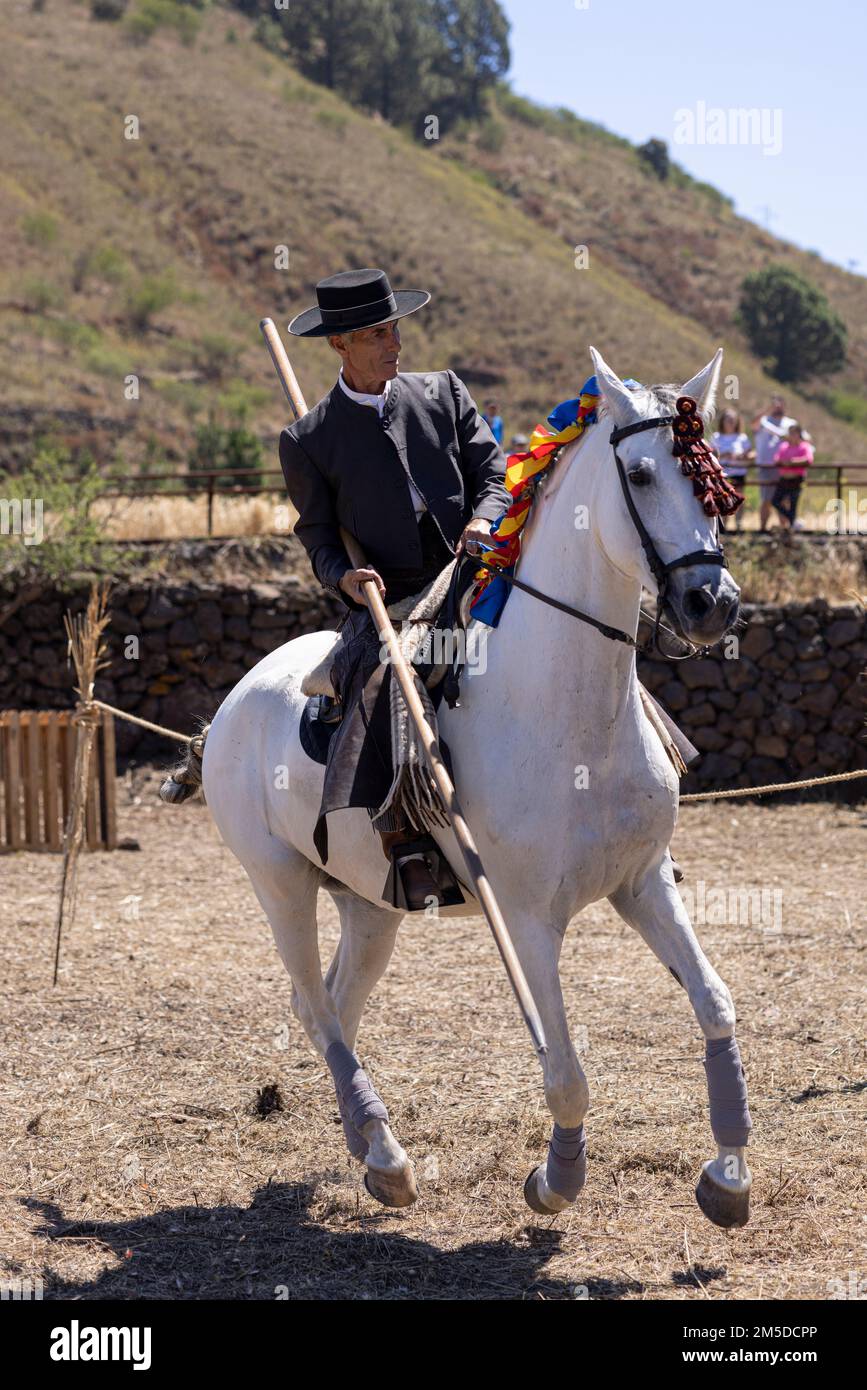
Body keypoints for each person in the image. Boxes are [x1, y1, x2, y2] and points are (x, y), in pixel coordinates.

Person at [278, 268, 510, 908]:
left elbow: (494, 474)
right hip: (391, 595)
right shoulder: (309, 440)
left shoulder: (443, 393)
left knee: (571, 623)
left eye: (394, 328)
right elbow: (318, 537)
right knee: (387, 673)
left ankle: (629, 795)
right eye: (376, 333)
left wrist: (483, 521)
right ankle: (405, 834)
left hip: (472, 566)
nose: (394, 343)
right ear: (339, 345)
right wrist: (344, 578)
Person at [751, 395, 795, 531]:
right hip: (766, 467)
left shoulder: (790, 423)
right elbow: (753, 424)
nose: (778, 407)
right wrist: (767, 409)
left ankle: (785, 528)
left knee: (784, 500)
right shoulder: (763, 421)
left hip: (785, 468)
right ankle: (763, 528)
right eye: (775, 404)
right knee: (766, 499)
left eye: (780, 404)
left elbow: (802, 439)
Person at [711, 410, 754, 530]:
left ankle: (738, 525)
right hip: (722, 474)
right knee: (723, 499)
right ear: (722, 421)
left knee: (738, 499)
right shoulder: (716, 437)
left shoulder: (742, 437)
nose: (730, 422)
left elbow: (751, 454)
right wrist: (724, 455)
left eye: (732, 420)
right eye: (728, 419)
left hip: (738, 473)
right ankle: (723, 526)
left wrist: (742, 456)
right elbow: (710, 454)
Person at [771, 422, 814, 529]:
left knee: (793, 503)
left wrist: (792, 462)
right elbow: (777, 459)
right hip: (784, 479)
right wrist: (784, 462)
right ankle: (793, 520)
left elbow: (808, 460)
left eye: (795, 433)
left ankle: (792, 526)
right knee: (776, 501)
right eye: (791, 433)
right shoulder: (784, 446)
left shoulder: (804, 446)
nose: (792, 436)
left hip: (796, 479)